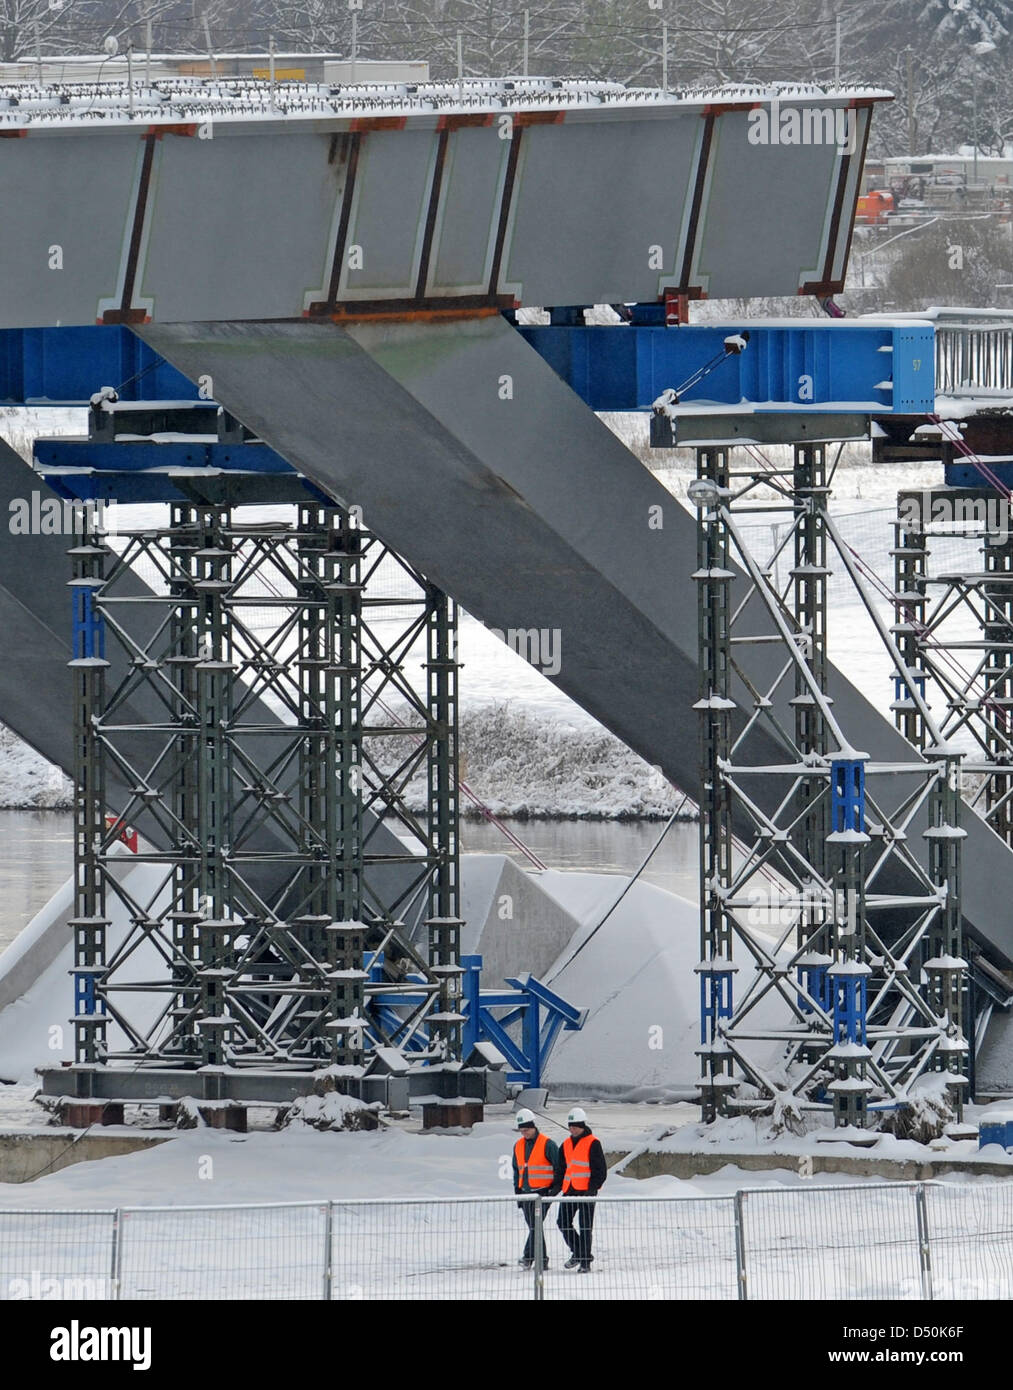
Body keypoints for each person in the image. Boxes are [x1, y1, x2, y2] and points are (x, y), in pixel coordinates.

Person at [557, 1106, 607, 1272]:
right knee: (563, 1222)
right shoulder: (565, 1145)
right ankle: (579, 1252)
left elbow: (600, 1170)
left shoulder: (593, 1143)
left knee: (585, 1227)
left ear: (583, 1126)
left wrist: (593, 1188)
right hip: (569, 1190)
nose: (572, 1129)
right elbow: (560, 1169)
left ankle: (585, 1262)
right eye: (570, 1126)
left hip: (586, 1192)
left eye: (576, 1126)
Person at [512, 1107, 562, 1270]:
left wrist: (554, 1189)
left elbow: (559, 1167)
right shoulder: (518, 1146)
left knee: (535, 1225)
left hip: (542, 1193)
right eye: (521, 1131)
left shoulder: (548, 1144)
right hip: (526, 1193)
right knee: (535, 1226)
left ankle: (532, 1257)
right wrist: (518, 1191)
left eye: (526, 1130)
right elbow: (516, 1170)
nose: (524, 1133)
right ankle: (539, 1259)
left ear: (533, 1127)